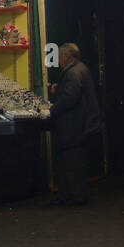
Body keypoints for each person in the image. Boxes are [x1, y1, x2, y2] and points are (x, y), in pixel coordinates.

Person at [47, 43, 101, 205]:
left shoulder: (72, 73)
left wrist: (51, 111)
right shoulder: (81, 69)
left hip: (72, 127)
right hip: (81, 125)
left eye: (59, 57)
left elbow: (69, 98)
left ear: (66, 57)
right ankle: (75, 195)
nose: (58, 60)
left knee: (71, 162)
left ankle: (73, 197)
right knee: (75, 162)